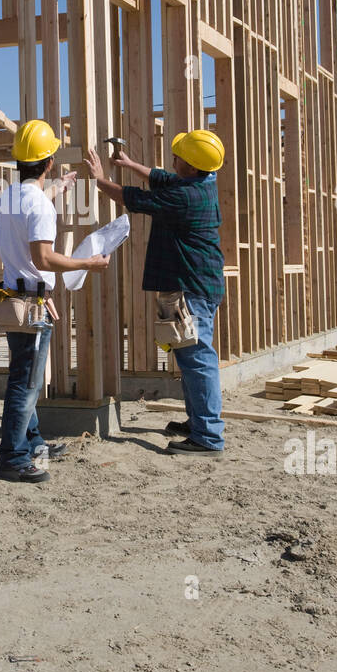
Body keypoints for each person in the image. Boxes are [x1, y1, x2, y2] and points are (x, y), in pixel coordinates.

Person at [85, 129, 226, 456]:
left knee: (199, 360)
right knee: (190, 358)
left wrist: (100, 179)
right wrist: (131, 163)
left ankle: (208, 437)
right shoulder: (202, 181)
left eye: (178, 157)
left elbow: (135, 199)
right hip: (198, 284)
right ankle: (198, 423)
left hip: (192, 288)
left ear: (191, 167)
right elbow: (163, 178)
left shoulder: (184, 197)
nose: (172, 159)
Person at [0, 119, 110, 483]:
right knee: (25, 382)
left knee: (23, 374)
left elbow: (33, 206)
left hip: (16, 300)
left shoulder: (8, 197)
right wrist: (87, 263)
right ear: (48, 162)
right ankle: (13, 457)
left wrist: (57, 187)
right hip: (31, 303)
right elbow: (44, 258)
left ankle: (33, 443)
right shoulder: (40, 207)